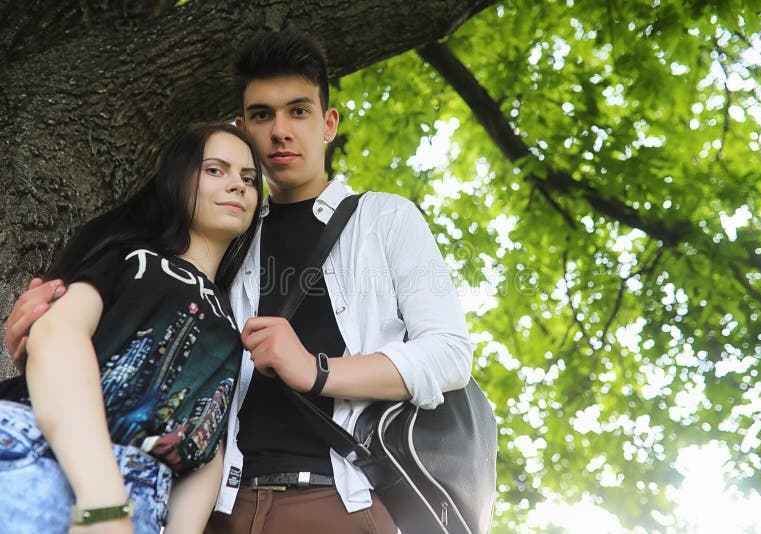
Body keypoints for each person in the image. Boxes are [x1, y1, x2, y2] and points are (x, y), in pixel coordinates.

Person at [6, 30, 473, 533]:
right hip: (211, 507)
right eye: (261, 115)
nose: (280, 131)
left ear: (328, 123)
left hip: (333, 498)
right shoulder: (220, 233)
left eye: (299, 111)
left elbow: (448, 354)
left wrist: (317, 371)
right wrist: (44, 332)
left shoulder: (383, 219)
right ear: (242, 126)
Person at [0, 122, 263, 533]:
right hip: (42, 460)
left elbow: (206, 445)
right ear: (179, 179)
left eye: (249, 179)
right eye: (216, 170)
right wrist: (102, 502)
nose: (238, 185)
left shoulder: (231, 324)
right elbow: (57, 334)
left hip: (144, 498)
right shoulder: (135, 257)